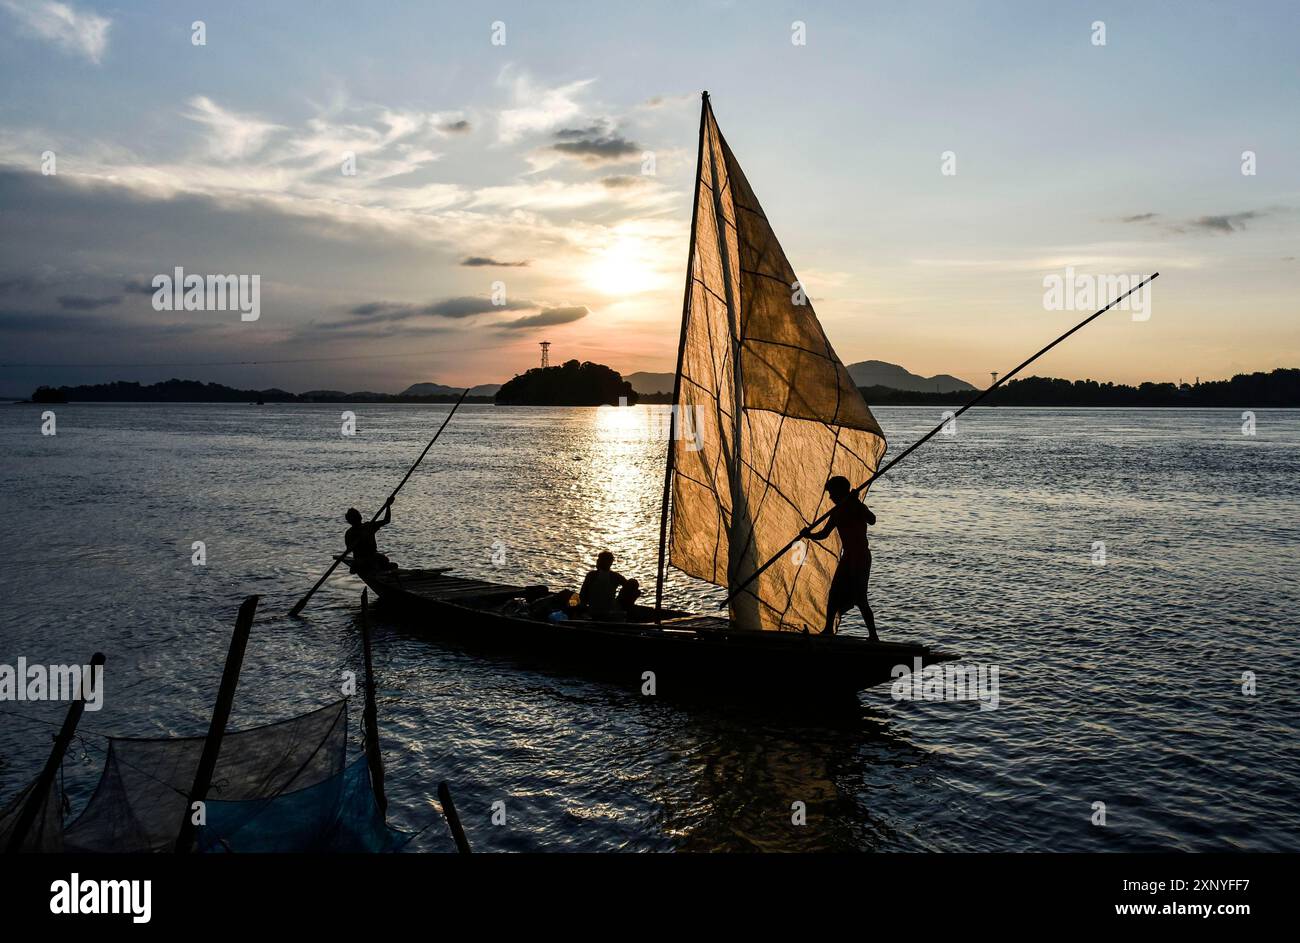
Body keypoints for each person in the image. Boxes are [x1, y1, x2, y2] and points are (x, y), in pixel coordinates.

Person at [800, 476, 878, 640]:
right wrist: (809, 535)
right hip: (848, 557)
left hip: (861, 557)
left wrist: (857, 504)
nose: (830, 497)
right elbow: (824, 533)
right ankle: (828, 629)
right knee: (834, 593)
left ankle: (873, 636)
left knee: (860, 598)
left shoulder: (857, 507)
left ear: (840, 492)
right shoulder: (837, 511)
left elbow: (872, 520)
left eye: (832, 493)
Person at [344, 498, 396, 572]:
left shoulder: (368, 526)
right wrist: (359, 540)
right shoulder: (350, 533)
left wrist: (388, 506)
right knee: (378, 562)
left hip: (372, 556)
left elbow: (387, 520)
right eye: (355, 518)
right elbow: (349, 549)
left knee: (385, 561)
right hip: (361, 559)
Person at [579, 550, 629, 619]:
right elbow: (629, 586)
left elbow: (582, 595)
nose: (597, 561)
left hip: (593, 612)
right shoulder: (616, 576)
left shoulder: (591, 575)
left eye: (599, 559)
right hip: (609, 612)